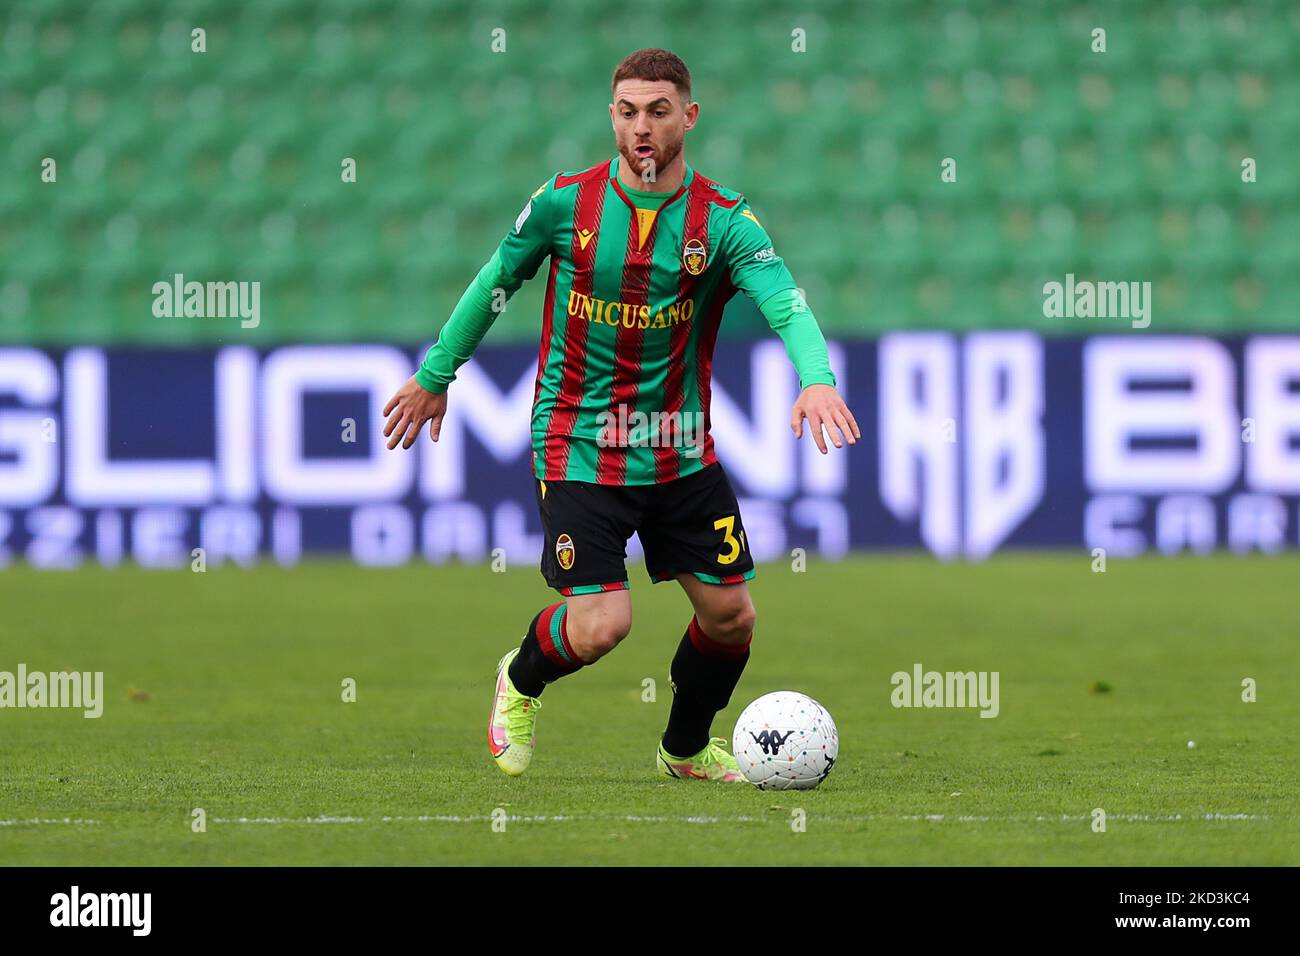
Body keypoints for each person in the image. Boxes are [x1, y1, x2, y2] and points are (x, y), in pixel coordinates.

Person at [383, 48, 857, 781]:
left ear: (688, 117)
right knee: (604, 625)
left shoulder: (724, 221)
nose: (642, 127)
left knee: (732, 616)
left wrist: (817, 378)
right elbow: (494, 282)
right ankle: (520, 678)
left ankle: (685, 749)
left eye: (658, 112)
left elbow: (785, 303)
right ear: (612, 116)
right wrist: (435, 374)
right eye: (628, 112)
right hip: (578, 440)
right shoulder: (563, 204)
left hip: (677, 446)